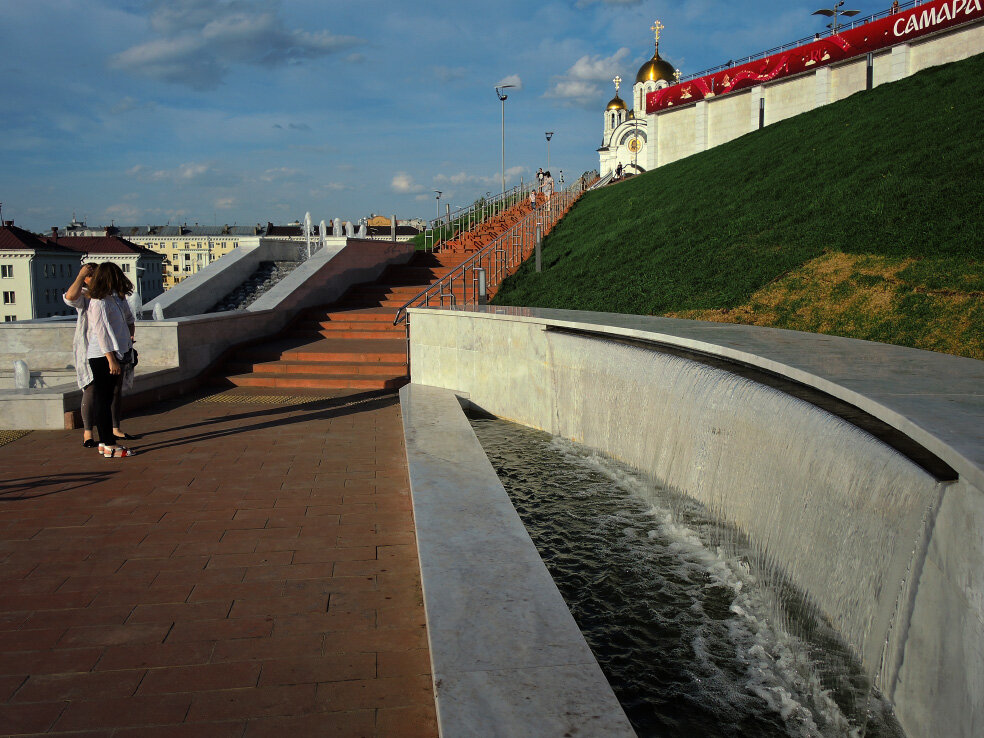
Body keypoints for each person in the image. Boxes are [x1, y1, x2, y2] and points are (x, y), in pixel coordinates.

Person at [64, 263, 137, 448]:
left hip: (115, 351)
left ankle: (112, 432)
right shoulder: (90, 297)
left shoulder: (112, 297)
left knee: (111, 392)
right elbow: (101, 331)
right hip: (98, 352)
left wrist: (128, 341)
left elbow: (127, 320)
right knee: (94, 392)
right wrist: (81, 276)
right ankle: (95, 435)